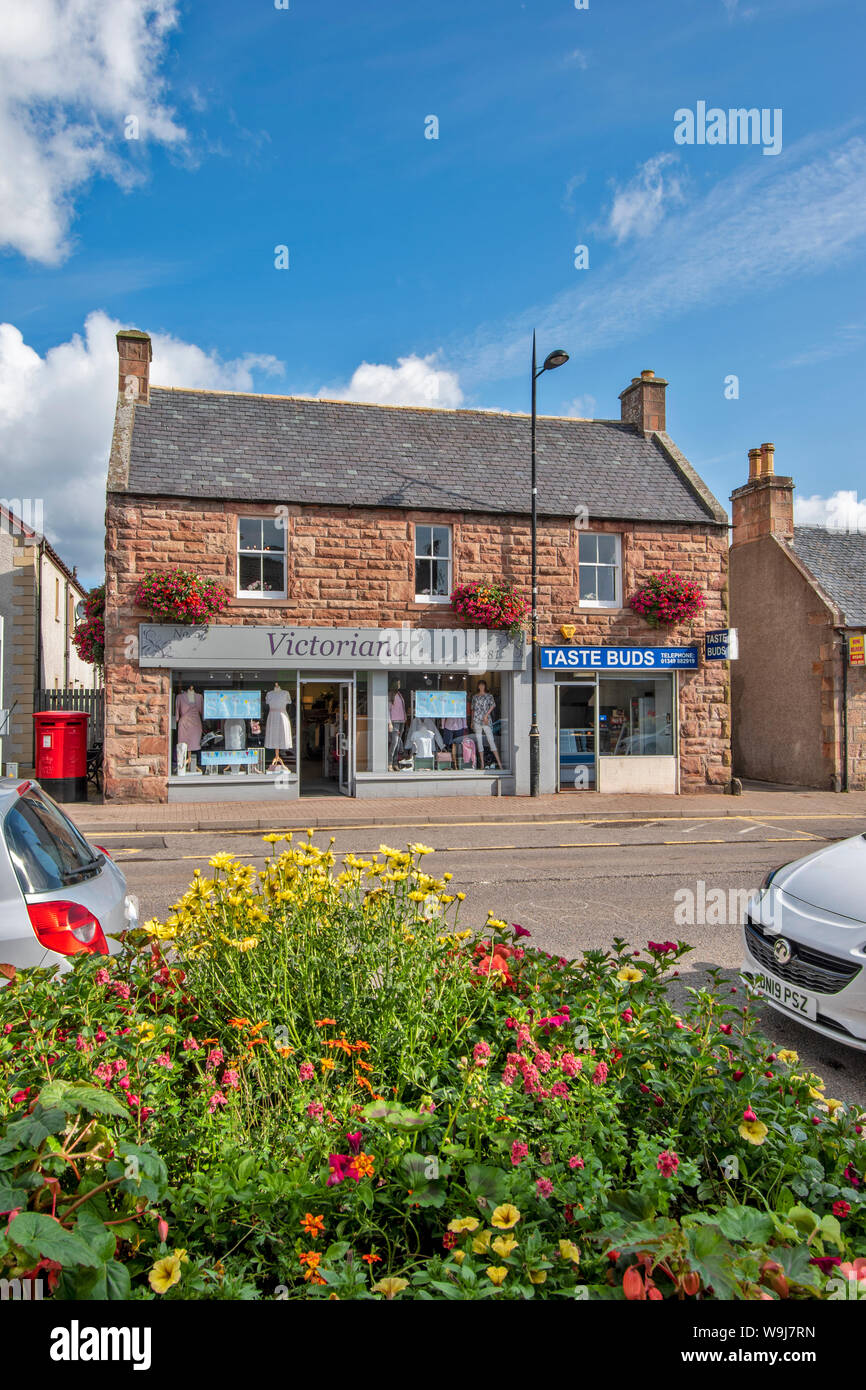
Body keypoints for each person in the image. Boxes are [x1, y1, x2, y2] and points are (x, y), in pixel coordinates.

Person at [471, 680, 502, 770]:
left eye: (483, 685)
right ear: (478, 686)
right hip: (477, 720)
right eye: (480, 685)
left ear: (485, 686)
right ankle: (482, 764)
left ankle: (500, 764)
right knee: (479, 742)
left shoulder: (489, 696)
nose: (481, 687)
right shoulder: (475, 697)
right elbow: (473, 709)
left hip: (486, 720)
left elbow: (493, 705)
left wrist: (486, 715)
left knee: (491, 741)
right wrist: (472, 721)